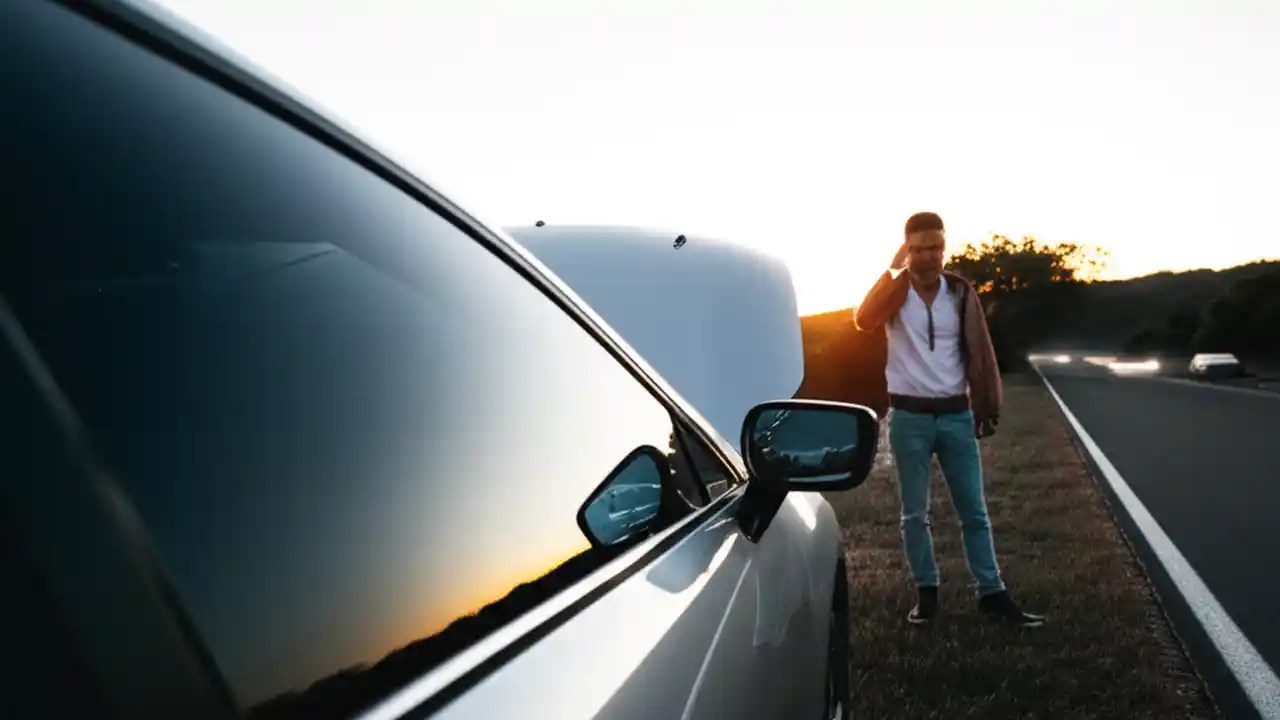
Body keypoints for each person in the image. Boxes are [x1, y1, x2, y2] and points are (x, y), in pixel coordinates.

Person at [854, 211, 1045, 627]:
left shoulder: (959, 291)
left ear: (945, 247)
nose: (928, 256)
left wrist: (986, 404)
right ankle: (927, 594)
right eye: (919, 249)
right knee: (914, 514)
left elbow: (981, 349)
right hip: (909, 417)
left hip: (956, 415)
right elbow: (864, 319)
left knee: (974, 512)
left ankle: (992, 594)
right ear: (907, 250)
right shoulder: (895, 292)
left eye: (935, 247)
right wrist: (891, 270)